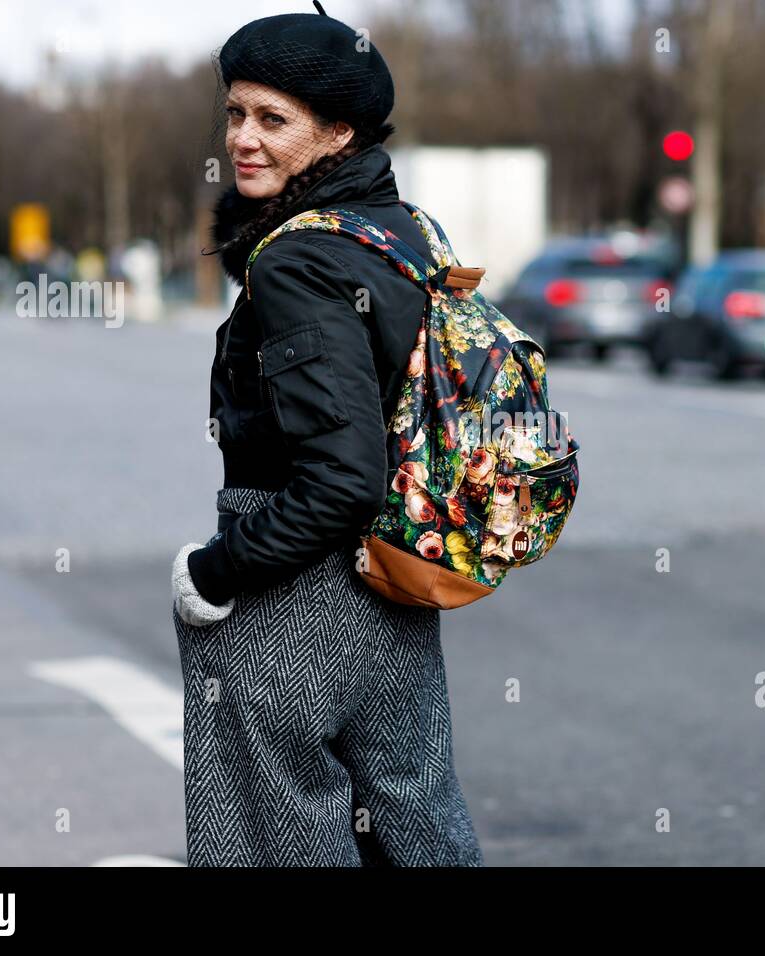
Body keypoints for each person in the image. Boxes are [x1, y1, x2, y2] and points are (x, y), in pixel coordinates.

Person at [171, 4, 484, 867]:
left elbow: (343, 478)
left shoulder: (298, 262)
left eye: (274, 120)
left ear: (338, 131)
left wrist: (213, 571)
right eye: (235, 113)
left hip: (293, 589)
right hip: (400, 580)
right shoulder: (406, 233)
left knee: (275, 834)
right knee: (417, 825)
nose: (243, 139)